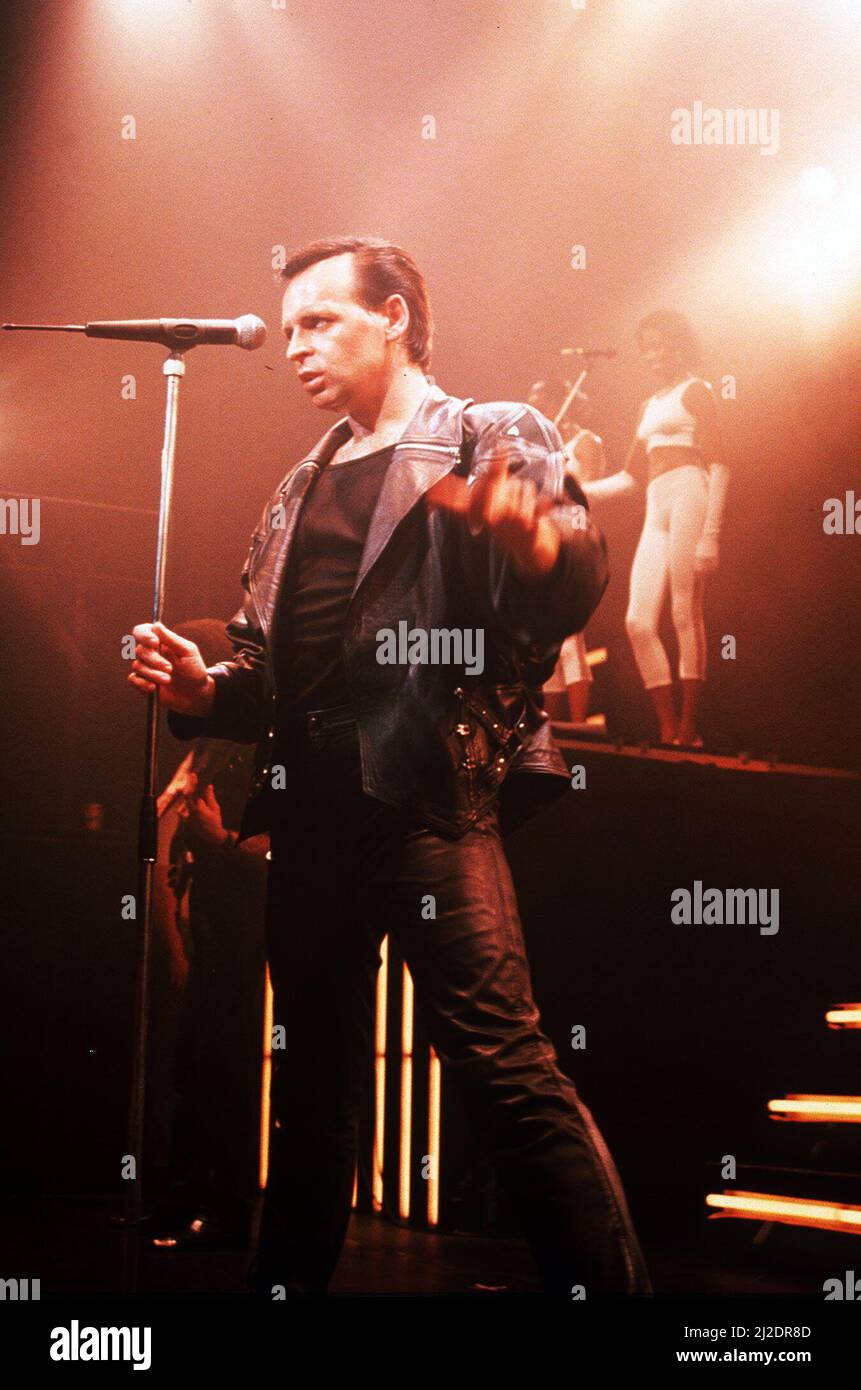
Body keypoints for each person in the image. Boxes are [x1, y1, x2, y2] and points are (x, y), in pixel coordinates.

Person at [128, 235, 651, 1297]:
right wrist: (207, 688)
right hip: (309, 810)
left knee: (507, 1071)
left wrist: (534, 545)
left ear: (396, 316)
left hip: (423, 794)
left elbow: (566, 570)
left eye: (320, 321)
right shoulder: (297, 485)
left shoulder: (488, 433)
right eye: (288, 331)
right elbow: (268, 664)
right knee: (311, 1090)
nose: (296, 349)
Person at [146, 619, 270, 1251]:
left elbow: (282, 854)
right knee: (194, 1068)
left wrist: (223, 842)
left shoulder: (268, 751)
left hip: (255, 940)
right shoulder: (214, 749)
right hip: (214, 937)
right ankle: (182, 1201)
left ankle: (224, 1209)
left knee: (233, 1072)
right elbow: (167, 815)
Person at [583, 311, 728, 747]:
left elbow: (721, 462)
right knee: (638, 621)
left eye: (659, 345)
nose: (651, 355)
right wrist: (574, 487)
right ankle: (667, 727)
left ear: (679, 346)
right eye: (645, 347)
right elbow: (630, 479)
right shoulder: (647, 406)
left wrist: (711, 534)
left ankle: (689, 727)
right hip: (656, 502)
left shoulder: (696, 391)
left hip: (690, 491)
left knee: (685, 611)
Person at [526, 379, 607, 723]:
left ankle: (577, 725)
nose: (534, 409)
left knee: (571, 637)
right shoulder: (545, 447)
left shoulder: (584, 442)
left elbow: (586, 491)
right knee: (549, 637)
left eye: (539, 402)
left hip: (574, 533)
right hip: (550, 536)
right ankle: (554, 726)